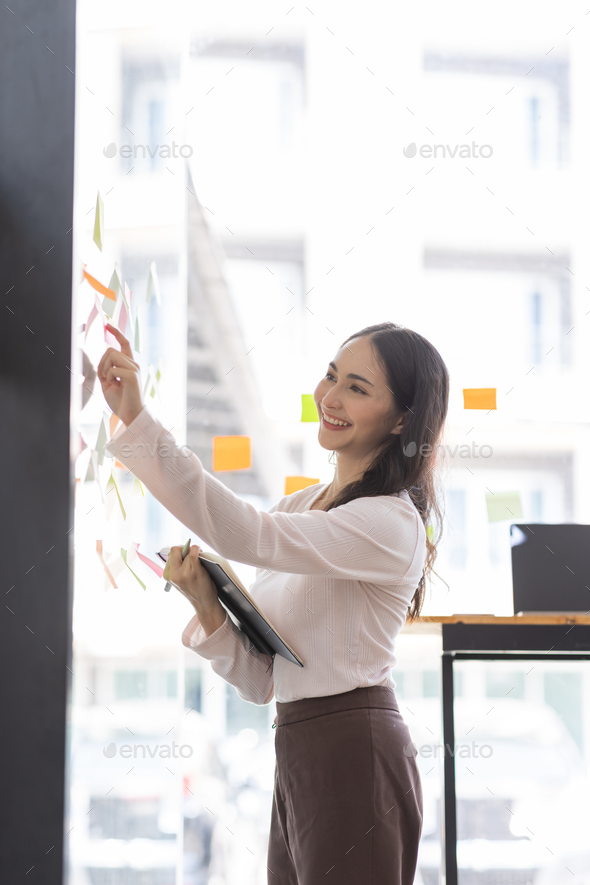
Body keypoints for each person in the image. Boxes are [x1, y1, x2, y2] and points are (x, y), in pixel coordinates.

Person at [98, 319, 450, 885]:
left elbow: (246, 534)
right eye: (331, 376)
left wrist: (139, 424)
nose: (330, 399)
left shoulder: (388, 520)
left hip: (354, 751)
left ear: (403, 418)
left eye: (358, 388)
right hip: (299, 747)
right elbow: (263, 681)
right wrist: (208, 605)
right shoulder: (302, 505)